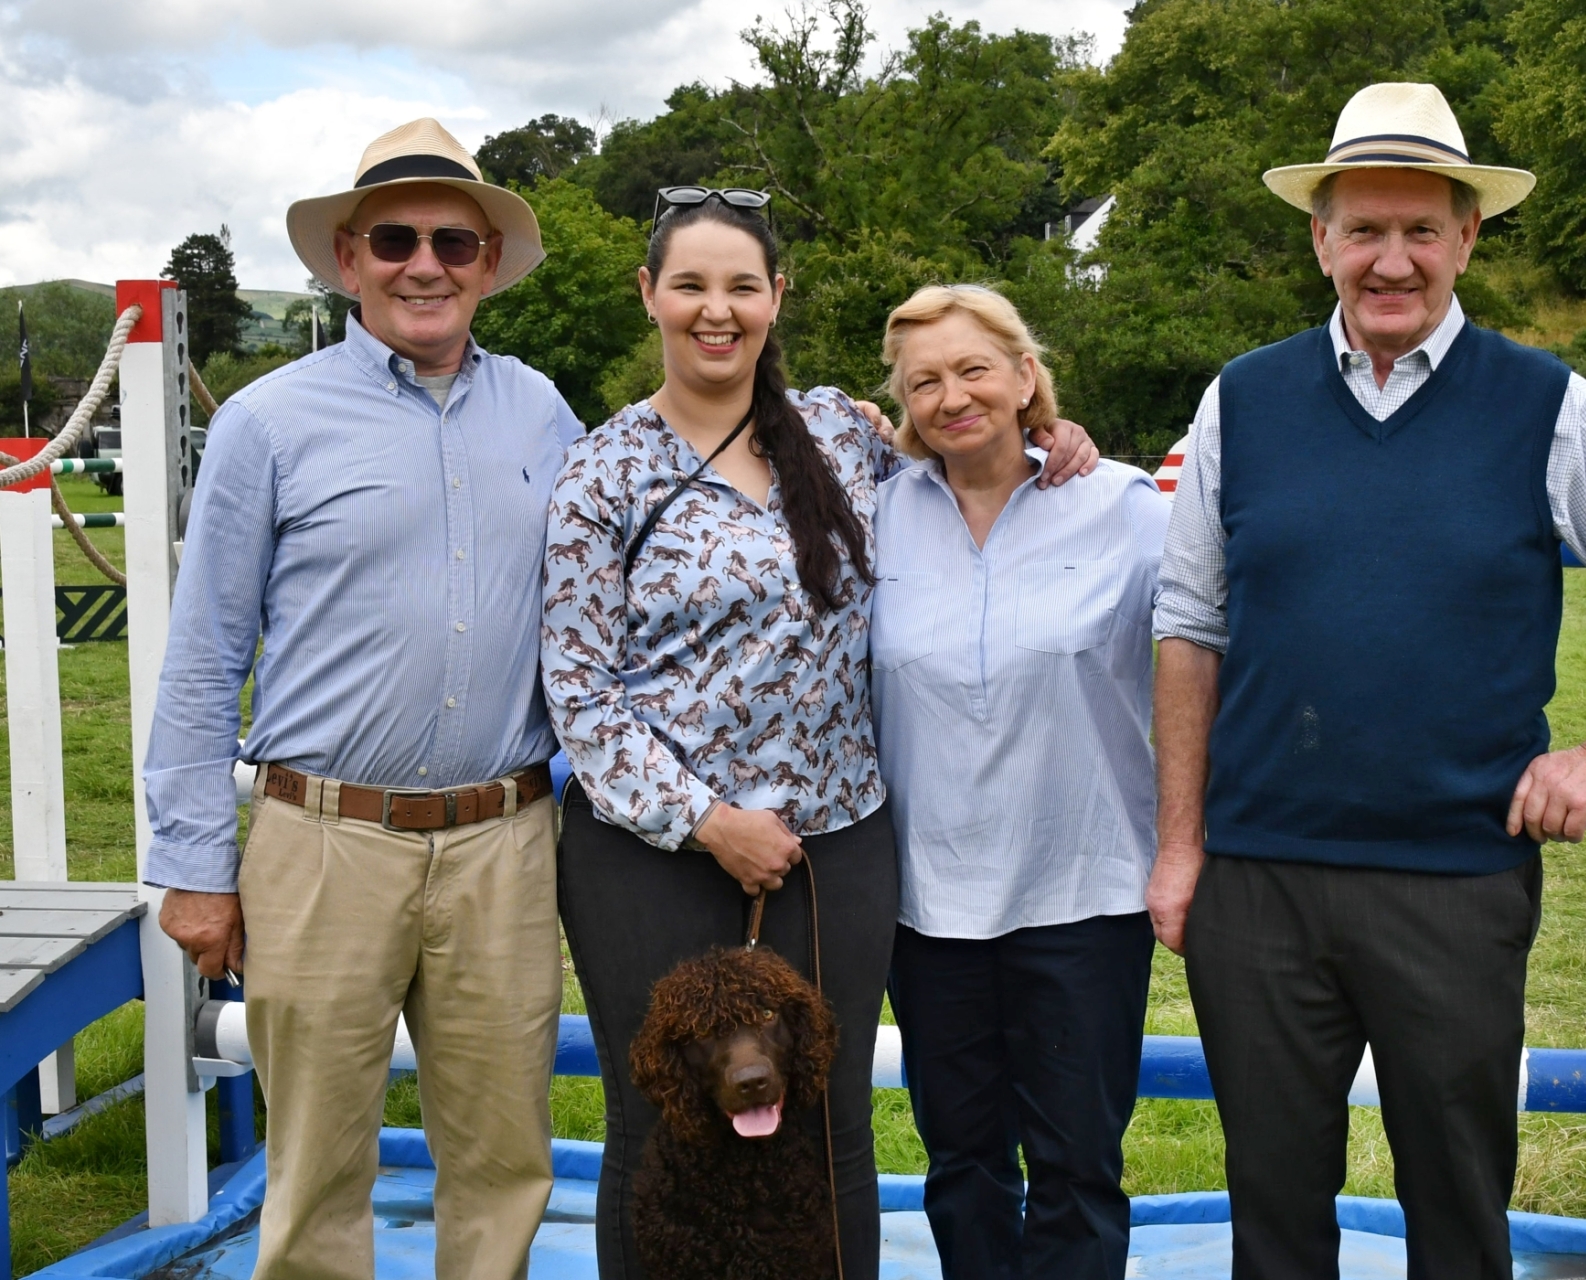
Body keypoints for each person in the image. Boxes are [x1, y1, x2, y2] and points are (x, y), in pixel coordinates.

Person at [1146, 82, 1586, 1280]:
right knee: (1271, 1208)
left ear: (1468, 237)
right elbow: (1190, 626)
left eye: (1422, 228)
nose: (1392, 259)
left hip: (1457, 878)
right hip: (1260, 878)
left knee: (1460, 1206)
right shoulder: (1242, 398)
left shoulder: (1545, 403)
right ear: (1319, 238)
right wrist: (1180, 846)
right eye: (1364, 228)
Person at [540, 191, 1095, 1280]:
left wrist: (1045, 431)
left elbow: (962, 469)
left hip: (836, 843)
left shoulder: (843, 433)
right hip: (652, 852)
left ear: (776, 297)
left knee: (830, 1120)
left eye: (742, 286)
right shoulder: (604, 471)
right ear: (649, 295)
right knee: (661, 1122)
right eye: (691, 285)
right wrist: (708, 821)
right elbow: (580, 691)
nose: (717, 309)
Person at [145, 119, 580, 1280]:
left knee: (506, 1161)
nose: (423, 264)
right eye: (394, 239)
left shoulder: (544, 412)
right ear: (348, 258)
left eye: (452, 241)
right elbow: (204, 653)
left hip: (504, 839)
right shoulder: (266, 423)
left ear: (489, 262)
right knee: (316, 1170)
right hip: (323, 837)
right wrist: (193, 861)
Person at [871, 285, 1167, 1280]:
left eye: (974, 369)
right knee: (962, 1164)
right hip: (928, 904)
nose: (952, 397)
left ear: (1026, 374)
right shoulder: (873, 515)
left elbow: (1214, 645)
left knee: (1078, 1164)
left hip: (1084, 890)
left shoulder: (1123, 506)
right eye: (925, 381)